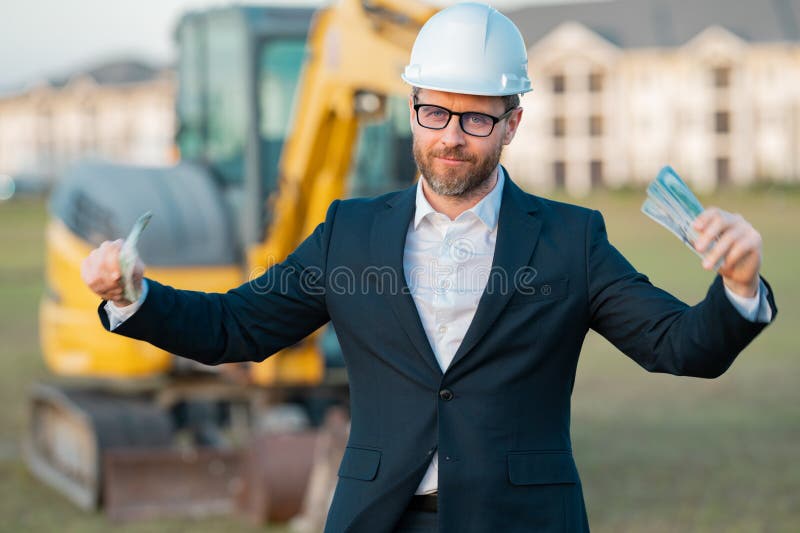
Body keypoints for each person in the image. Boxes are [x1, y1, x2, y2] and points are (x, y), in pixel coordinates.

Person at [81, 3, 776, 532]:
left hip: (523, 518)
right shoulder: (348, 233)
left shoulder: (573, 239)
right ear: (411, 108)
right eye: (435, 111)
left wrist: (737, 287)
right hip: (379, 514)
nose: (450, 136)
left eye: (475, 119)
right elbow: (236, 326)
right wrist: (136, 295)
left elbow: (680, 345)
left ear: (513, 123)